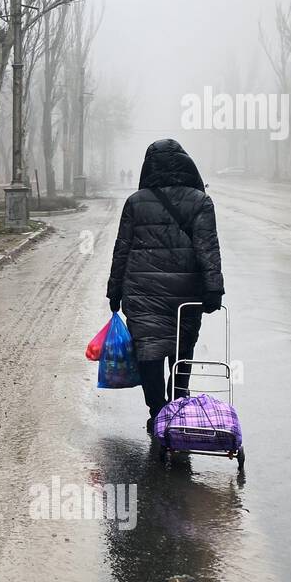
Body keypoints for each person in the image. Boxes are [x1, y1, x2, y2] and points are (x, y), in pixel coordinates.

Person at [106, 139, 224, 432]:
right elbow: (208, 248)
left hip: (142, 292)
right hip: (187, 291)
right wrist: (213, 289)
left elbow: (122, 248)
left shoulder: (135, 202)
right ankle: (179, 402)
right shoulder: (201, 201)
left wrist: (115, 290)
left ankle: (157, 411)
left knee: (149, 351)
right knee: (182, 350)